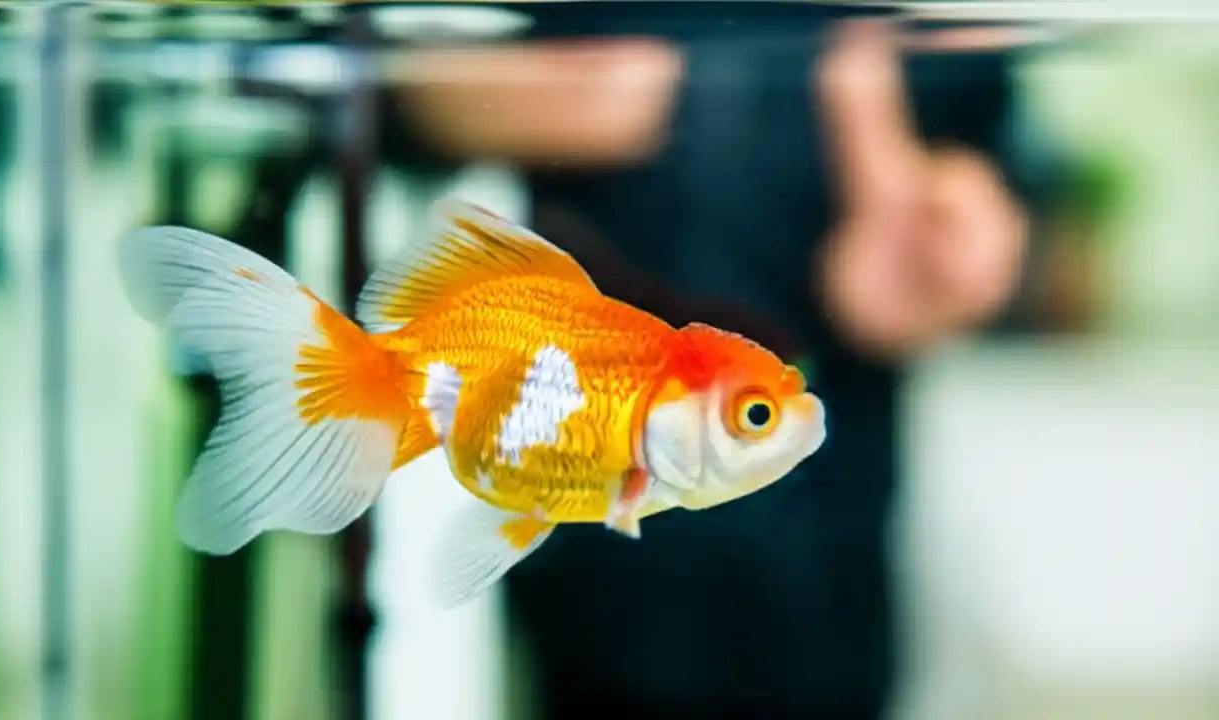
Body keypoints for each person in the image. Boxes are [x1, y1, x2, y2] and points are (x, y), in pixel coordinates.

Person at [391, 11, 1028, 719]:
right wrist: (521, 97)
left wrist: (946, 238)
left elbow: (982, 153)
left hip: (829, 565)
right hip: (597, 576)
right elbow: (398, 83)